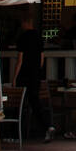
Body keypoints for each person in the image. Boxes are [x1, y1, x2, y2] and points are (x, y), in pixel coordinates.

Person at [13, 10, 55, 142]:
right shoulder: (38, 37)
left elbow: (20, 60)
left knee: (18, 104)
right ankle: (46, 126)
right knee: (35, 101)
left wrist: (15, 77)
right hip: (35, 74)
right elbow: (42, 58)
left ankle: (16, 132)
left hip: (24, 74)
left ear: (25, 23)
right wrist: (37, 70)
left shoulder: (23, 37)